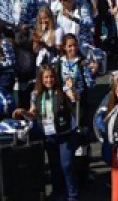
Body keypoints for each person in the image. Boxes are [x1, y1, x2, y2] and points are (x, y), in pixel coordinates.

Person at [13, 64, 81, 201]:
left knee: (66, 165)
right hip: (49, 135)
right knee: (54, 166)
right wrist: (23, 112)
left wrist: (72, 88)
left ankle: (72, 194)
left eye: (51, 77)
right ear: (41, 79)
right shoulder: (35, 94)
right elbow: (33, 114)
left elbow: (76, 98)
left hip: (65, 133)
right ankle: (58, 192)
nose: (49, 80)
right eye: (46, 77)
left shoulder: (63, 90)